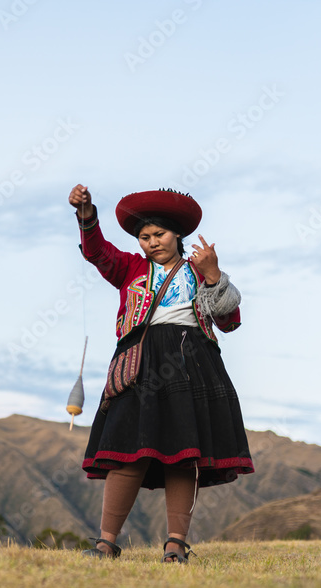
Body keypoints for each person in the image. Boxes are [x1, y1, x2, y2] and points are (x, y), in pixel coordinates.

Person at [68, 184, 254, 563]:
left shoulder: (200, 272)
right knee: (126, 452)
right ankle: (106, 542)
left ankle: (175, 544)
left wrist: (215, 275)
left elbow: (230, 322)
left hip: (192, 361)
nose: (151, 242)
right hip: (139, 363)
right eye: (144, 237)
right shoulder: (130, 268)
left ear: (178, 236)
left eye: (159, 235)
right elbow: (96, 252)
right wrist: (87, 215)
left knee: (184, 453)